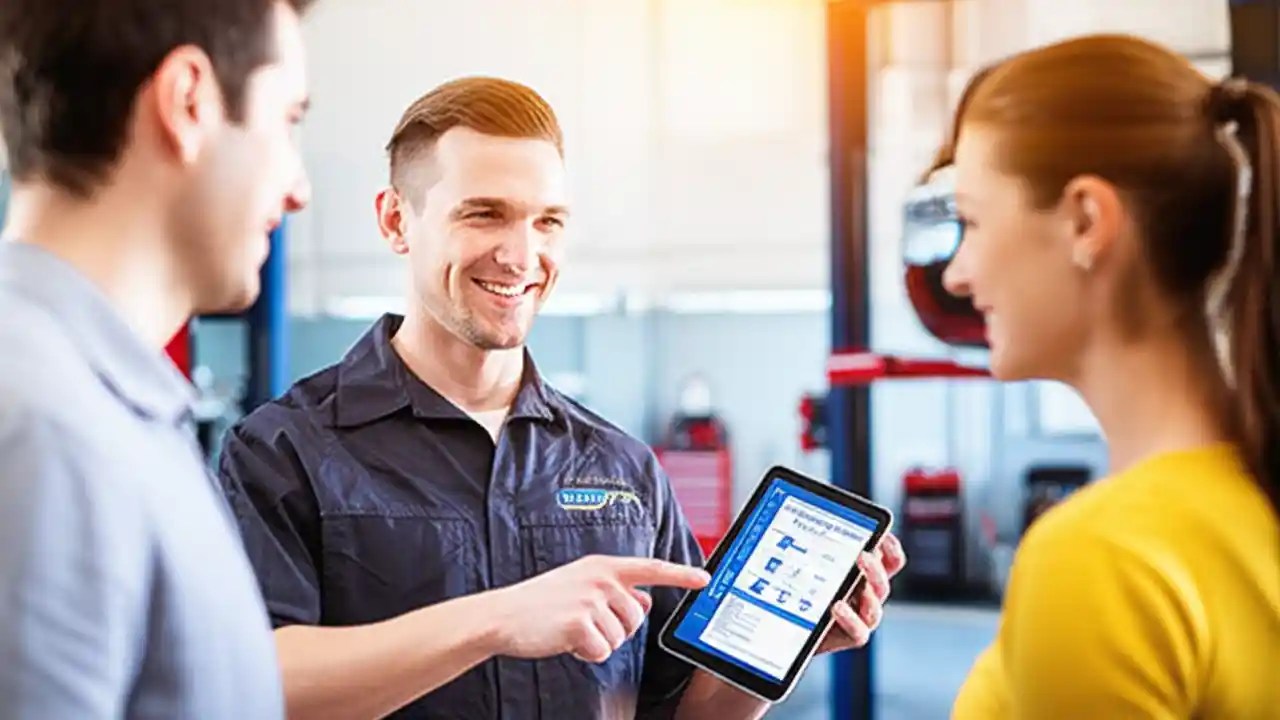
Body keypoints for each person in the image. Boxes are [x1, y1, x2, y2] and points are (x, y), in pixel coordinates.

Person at [217, 75, 907, 720]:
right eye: (484, 214)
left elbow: (677, 710)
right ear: (396, 220)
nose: (521, 257)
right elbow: (252, 684)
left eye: (547, 221)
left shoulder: (623, 468)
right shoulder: (286, 451)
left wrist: (767, 654)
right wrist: (495, 621)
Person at [941, 34, 1280, 718]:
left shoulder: (1102, 557)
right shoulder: (1254, 493)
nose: (956, 273)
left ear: (1086, 220)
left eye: (971, 223)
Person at [0, 0, 313, 718]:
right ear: (189, 101)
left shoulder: (112, 411)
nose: (298, 188)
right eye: (287, 120)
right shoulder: (43, 431)